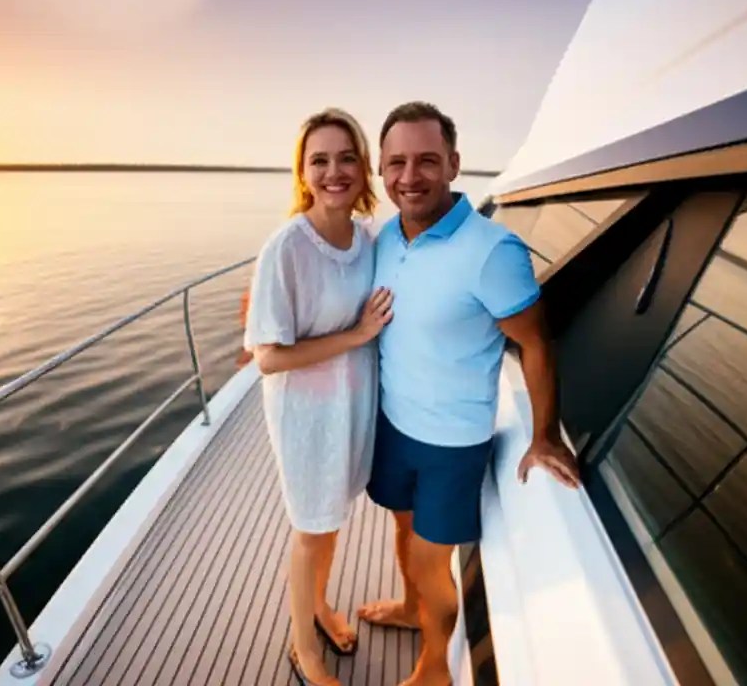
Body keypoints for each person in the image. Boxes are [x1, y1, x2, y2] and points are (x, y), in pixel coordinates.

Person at [356, 101, 580, 686]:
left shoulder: (492, 251)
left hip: (452, 443)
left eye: (427, 161)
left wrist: (544, 436)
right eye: (397, 163)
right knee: (401, 531)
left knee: (434, 565)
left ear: (454, 164)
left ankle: (435, 668)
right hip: (393, 425)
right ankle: (410, 612)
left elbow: (537, 344)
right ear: (382, 169)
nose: (411, 177)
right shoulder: (385, 239)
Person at [243, 107, 393, 686]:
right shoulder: (287, 248)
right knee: (310, 530)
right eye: (320, 161)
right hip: (306, 414)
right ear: (302, 173)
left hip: (350, 409)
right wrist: (355, 334)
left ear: (363, 168)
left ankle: (322, 608)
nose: (335, 171)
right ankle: (302, 647)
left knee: (331, 521)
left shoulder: (366, 240)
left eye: (346, 157)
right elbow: (268, 357)